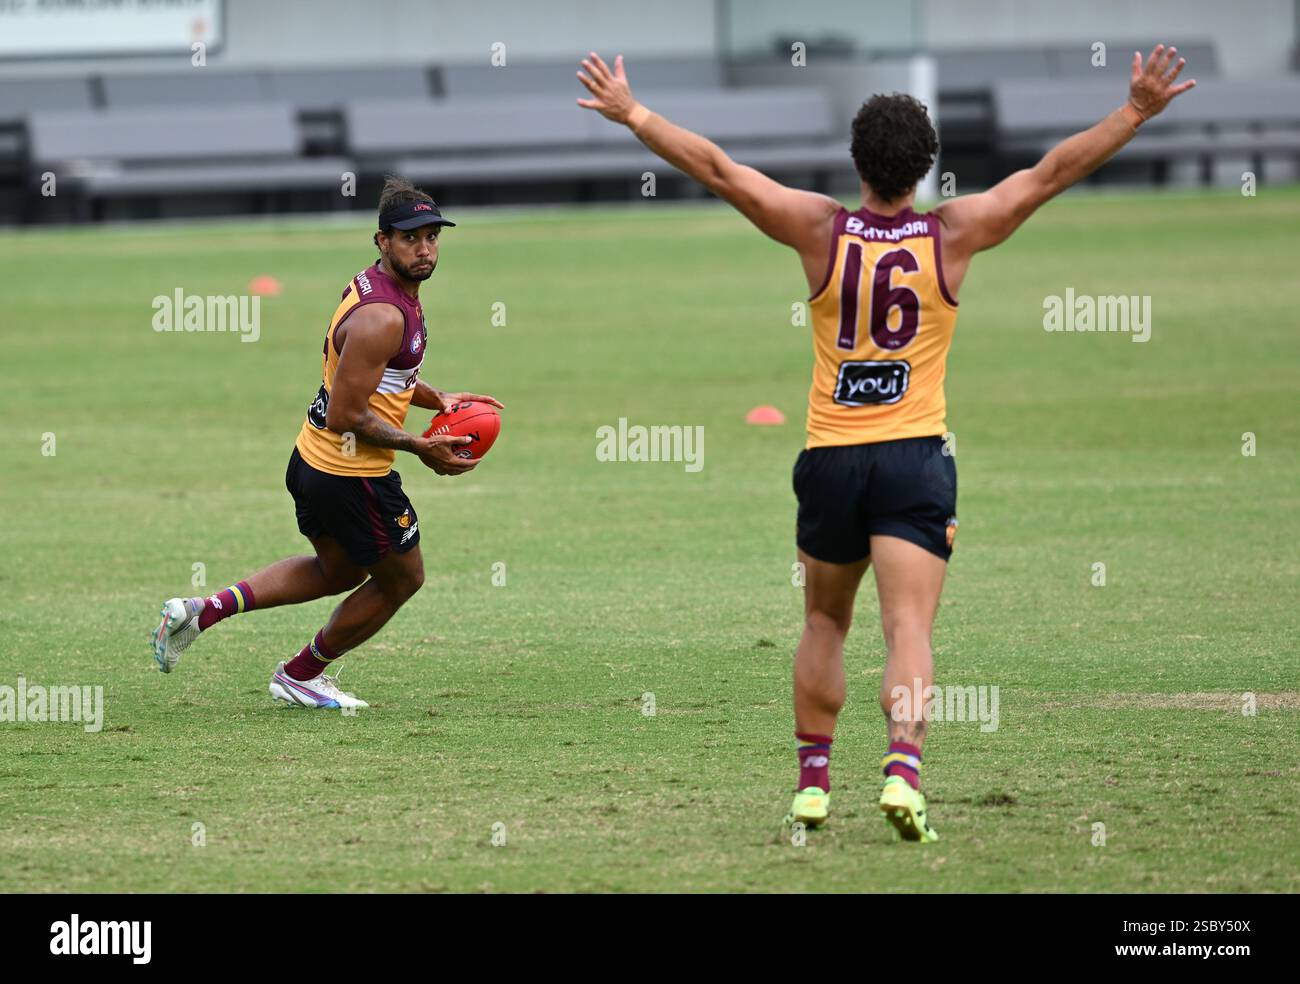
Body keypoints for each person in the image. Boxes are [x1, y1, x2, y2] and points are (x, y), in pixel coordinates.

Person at [576, 46, 1194, 840]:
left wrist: (635, 114)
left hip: (831, 458)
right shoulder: (956, 233)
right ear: (927, 166)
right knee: (909, 629)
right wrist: (1135, 112)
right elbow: (1048, 175)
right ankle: (903, 771)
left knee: (824, 625)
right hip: (915, 459)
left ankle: (812, 784)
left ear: (856, 161)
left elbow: (721, 170)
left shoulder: (816, 228)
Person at [151, 175, 503, 710]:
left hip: (312, 463)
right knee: (403, 579)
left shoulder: (381, 289)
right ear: (382, 241)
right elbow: (346, 411)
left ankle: (203, 611)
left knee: (337, 571)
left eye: (432, 237)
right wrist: (418, 445)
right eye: (411, 238)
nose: (425, 248)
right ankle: (301, 674)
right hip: (351, 474)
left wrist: (438, 397)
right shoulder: (382, 317)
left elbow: (381, 378)